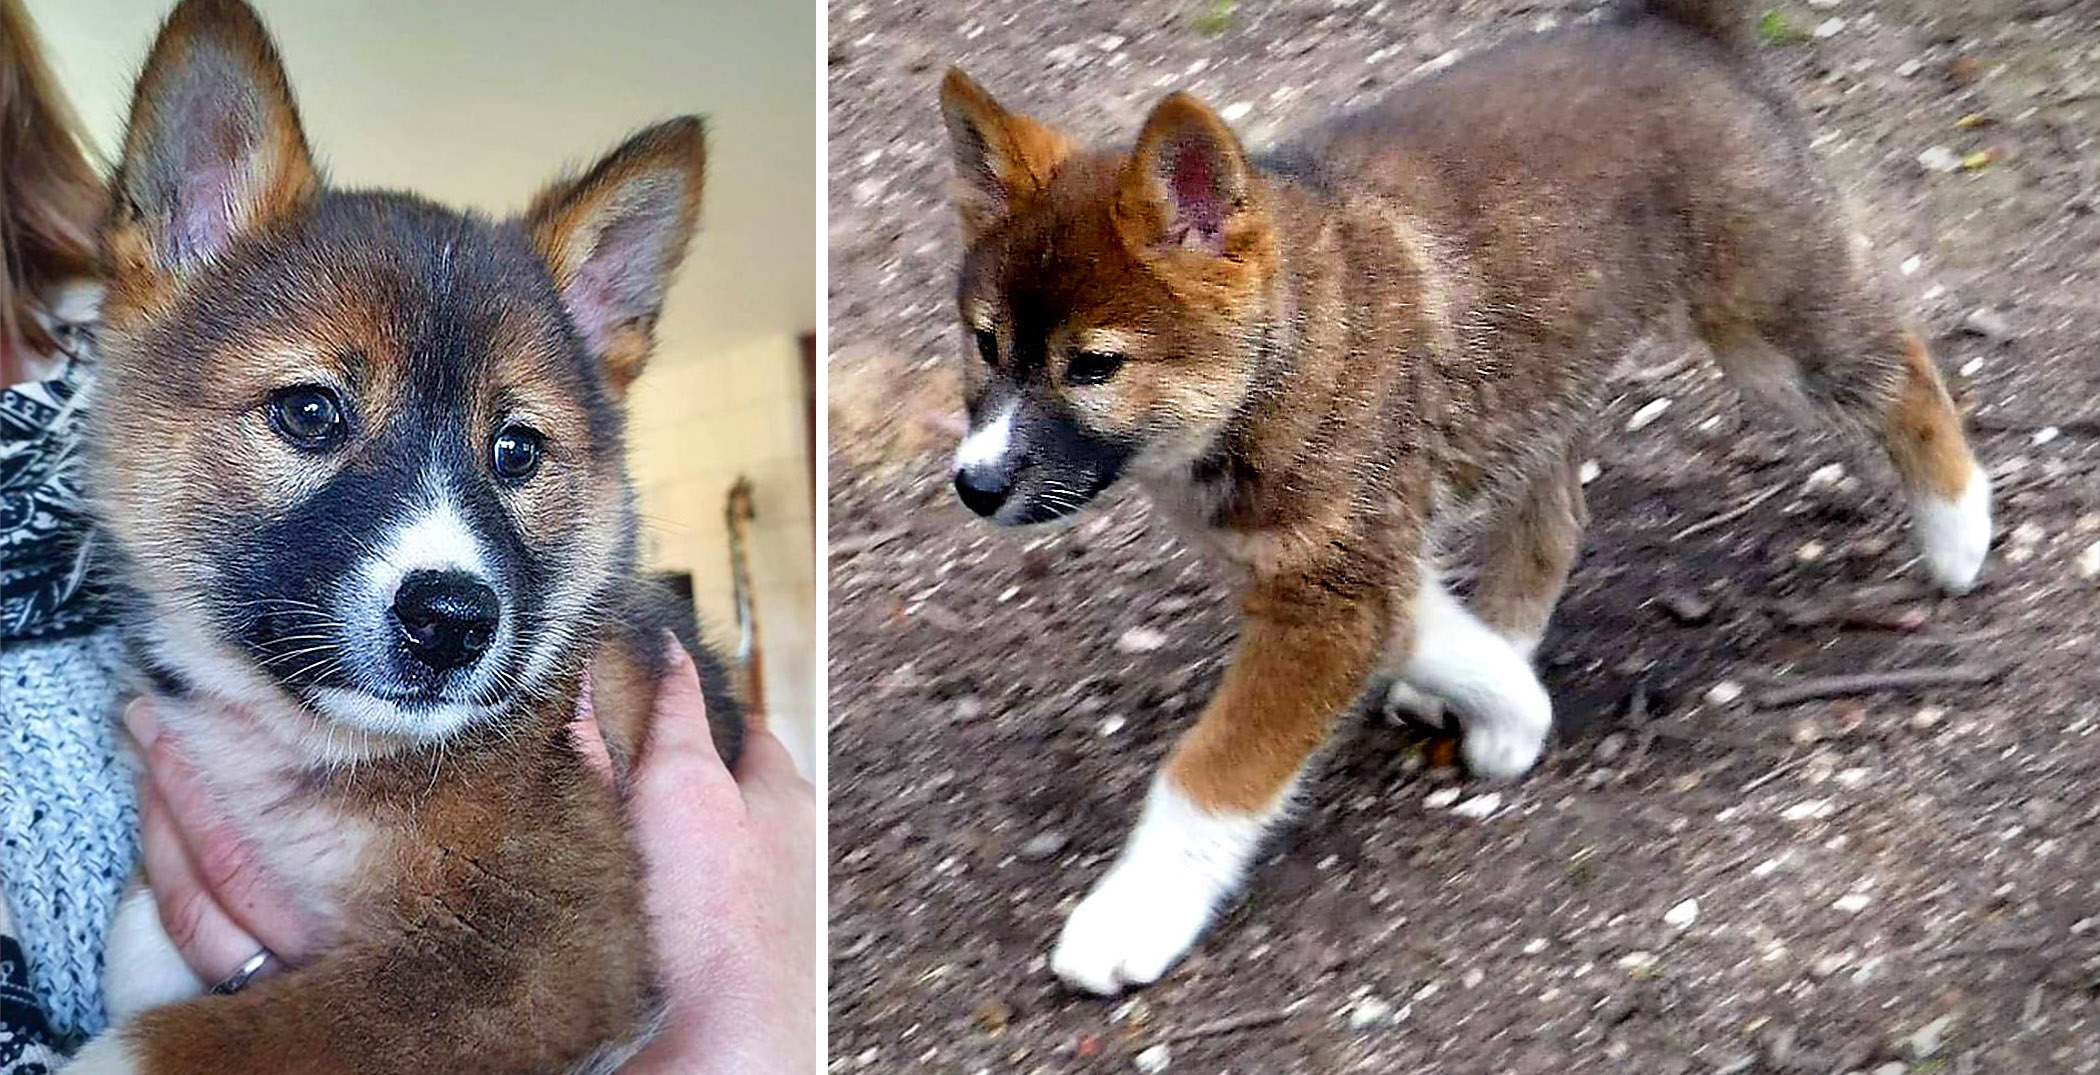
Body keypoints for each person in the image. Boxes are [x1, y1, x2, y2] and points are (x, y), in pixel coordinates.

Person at [0, 4, 815, 1070]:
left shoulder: (549, 725)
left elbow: (550, 980)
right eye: (311, 415)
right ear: (177, 239)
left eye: (514, 455)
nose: (449, 564)